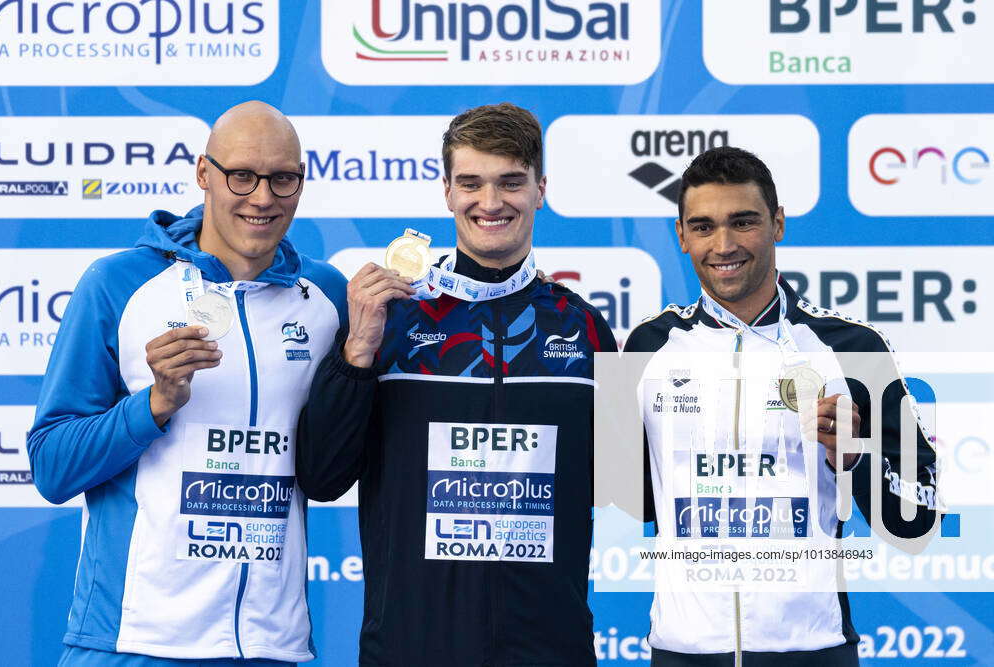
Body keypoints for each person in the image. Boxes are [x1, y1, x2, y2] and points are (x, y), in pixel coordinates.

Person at [296, 102, 617, 666]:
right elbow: (321, 477)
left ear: (541, 189)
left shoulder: (586, 327)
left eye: (510, 183)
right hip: (410, 648)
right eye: (470, 183)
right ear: (446, 191)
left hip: (548, 650)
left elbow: (628, 485)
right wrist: (356, 356)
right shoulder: (391, 320)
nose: (490, 203)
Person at [26, 101, 347, 666]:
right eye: (242, 175)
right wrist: (153, 405)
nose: (263, 197)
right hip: (134, 642)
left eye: (283, 179)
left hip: (268, 647)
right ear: (204, 174)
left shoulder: (325, 297)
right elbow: (52, 465)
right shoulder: (118, 285)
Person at [625, 146, 939, 666]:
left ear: (778, 224)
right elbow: (632, 498)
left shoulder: (852, 348)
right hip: (682, 653)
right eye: (702, 227)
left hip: (812, 650)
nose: (723, 245)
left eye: (743, 222)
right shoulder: (647, 346)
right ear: (681, 236)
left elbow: (917, 522)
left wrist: (854, 458)